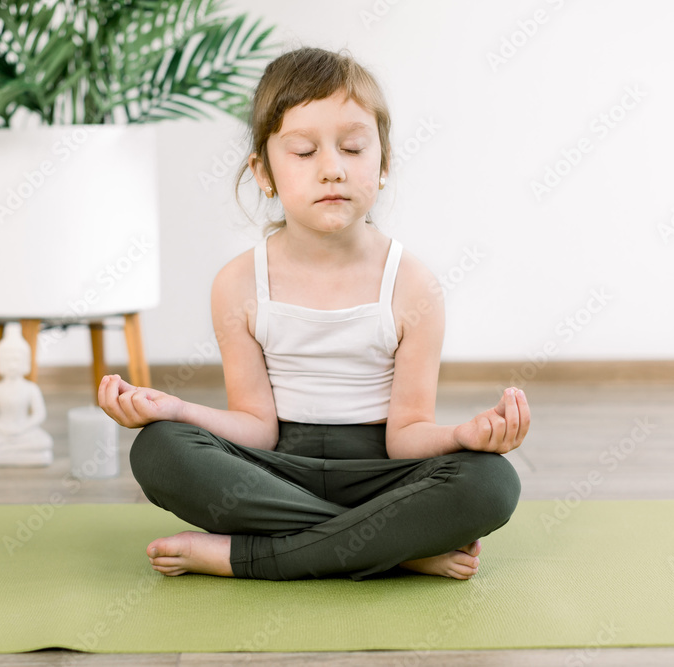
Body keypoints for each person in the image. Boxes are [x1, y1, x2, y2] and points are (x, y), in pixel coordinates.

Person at [97, 46, 529, 582]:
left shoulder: (413, 283)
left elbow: (407, 436)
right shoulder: (237, 283)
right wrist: (175, 409)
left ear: (384, 163)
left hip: (382, 474)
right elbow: (255, 429)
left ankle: (243, 557)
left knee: (492, 483)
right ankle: (394, 549)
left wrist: (466, 436)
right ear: (264, 172)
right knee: (159, 449)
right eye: (304, 152)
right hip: (277, 471)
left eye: (352, 148)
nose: (332, 169)